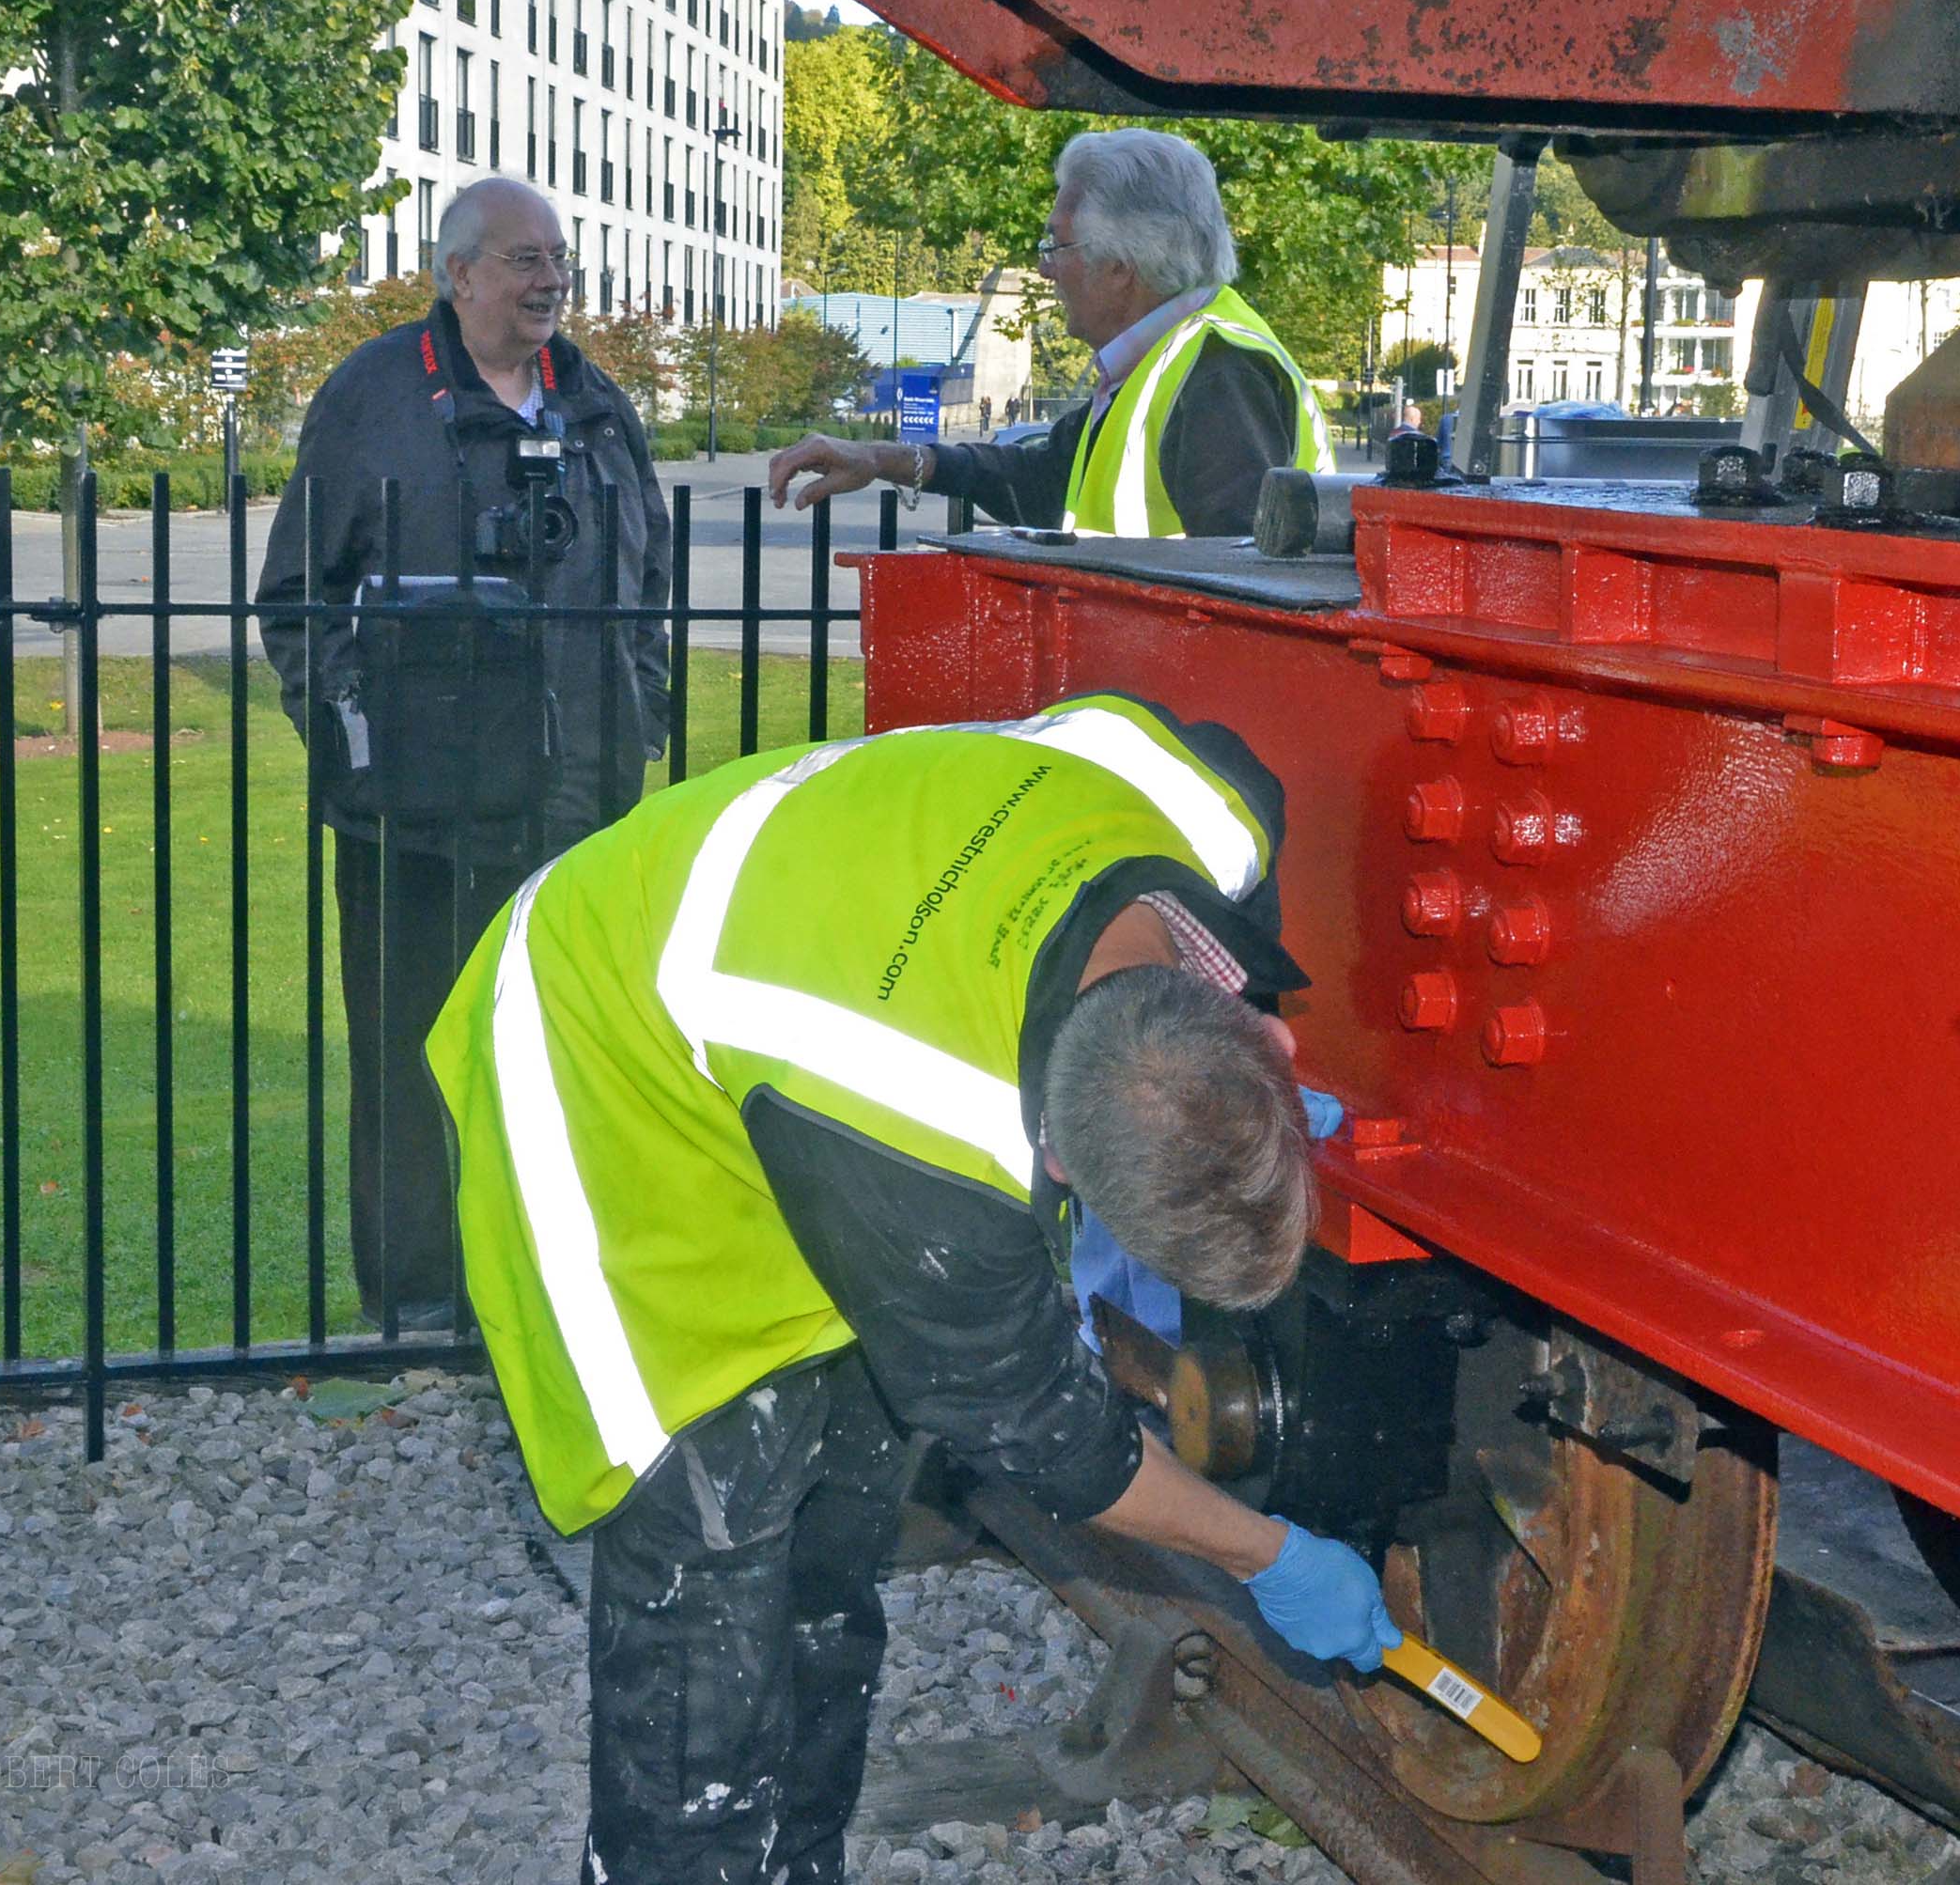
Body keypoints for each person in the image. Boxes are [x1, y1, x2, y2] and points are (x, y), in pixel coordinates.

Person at [427, 693, 1402, 1884]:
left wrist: (1232, 1085)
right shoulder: (933, 1136)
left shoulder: (1216, 809)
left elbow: (1201, 769)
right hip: (598, 1043)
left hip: (798, 993)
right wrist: (1266, 1553)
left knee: (835, 1533)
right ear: (1056, 1161)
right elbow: (1054, 1440)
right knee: (708, 1554)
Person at [257, 177, 670, 1334]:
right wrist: (352, 736)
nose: (551, 282)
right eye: (525, 260)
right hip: (412, 815)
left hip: (574, 809)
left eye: (560, 259)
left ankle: (541, 1289)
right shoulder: (375, 396)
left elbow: (648, 579)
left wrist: (639, 710)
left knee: (554, 1058)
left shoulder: (595, 406)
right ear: (459, 274)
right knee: (405, 1063)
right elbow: (298, 597)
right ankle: (416, 1302)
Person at [767, 129, 1337, 538]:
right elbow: (1046, 480)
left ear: (1121, 266)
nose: (1044, 269)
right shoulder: (1168, 358)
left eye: (1057, 246)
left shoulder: (1219, 372)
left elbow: (1239, 582)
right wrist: (881, 457)